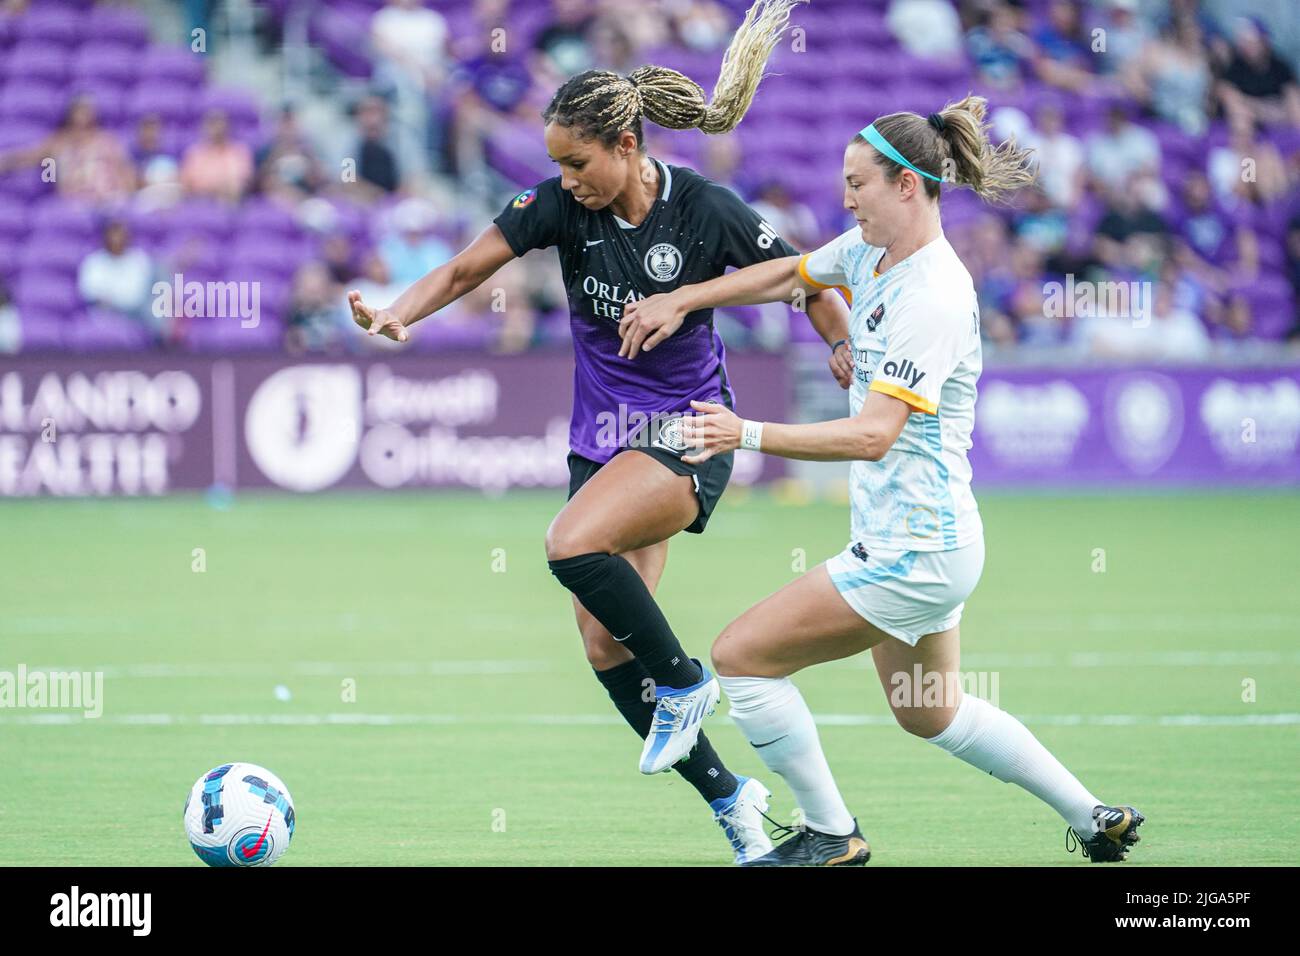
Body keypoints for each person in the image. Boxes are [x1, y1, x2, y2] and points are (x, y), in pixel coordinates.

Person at [346, 0, 855, 865]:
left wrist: (840, 339)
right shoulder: (559, 206)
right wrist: (402, 314)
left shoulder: (704, 209)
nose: (566, 179)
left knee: (567, 543)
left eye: (576, 162)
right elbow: (472, 264)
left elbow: (802, 278)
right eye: (557, 164)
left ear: (627, 146)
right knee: (601, 637)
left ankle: (689, 680)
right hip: (604, 443)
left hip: (691, 431)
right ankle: (732, 802)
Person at [620, 95, 1146, 866]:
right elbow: (790, 275)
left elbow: (873, 436)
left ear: (906, 185)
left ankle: (832, 834)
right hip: (935, 540)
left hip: (912, 549)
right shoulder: (870, 251)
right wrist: (686, 296)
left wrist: (746, 433)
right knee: (930, 712)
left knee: (739, 659)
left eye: (857, 182)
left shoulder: (934, 294)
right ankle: (1095, 816)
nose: (845, 196)